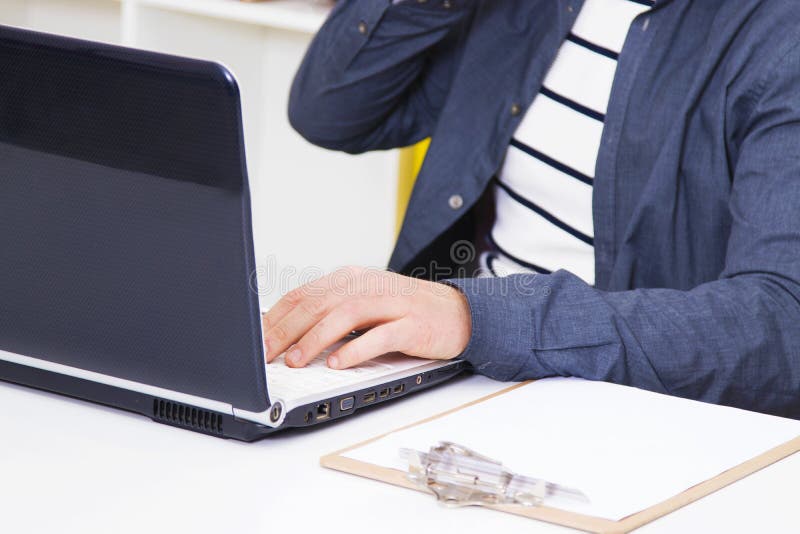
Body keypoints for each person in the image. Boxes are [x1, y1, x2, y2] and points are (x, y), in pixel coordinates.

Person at [262, 0, 800, 418]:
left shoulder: (779, 32)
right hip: (460, 372)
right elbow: (330, 113)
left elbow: (781, 321)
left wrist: (477, 315)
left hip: (639, 413)